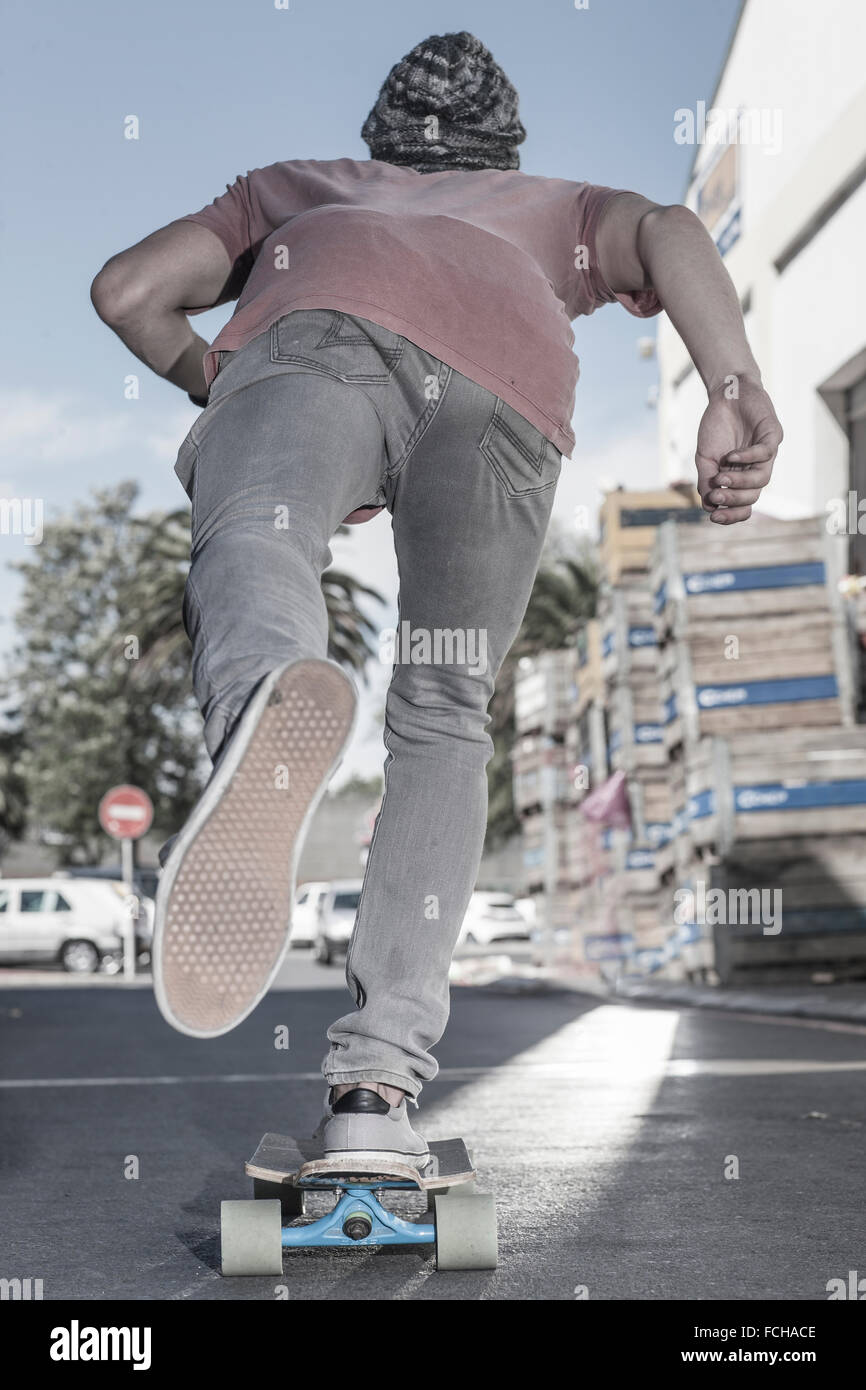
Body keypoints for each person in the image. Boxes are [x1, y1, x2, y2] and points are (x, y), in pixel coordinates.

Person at [90, 32, 782, 1166]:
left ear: (380, 144)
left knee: (257, 546)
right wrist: (731, 386)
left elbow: (126, 290)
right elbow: (667, 225)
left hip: (309, 337)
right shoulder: (553, 204)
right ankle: (372, 1094)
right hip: (499, 376)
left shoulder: (286, 193)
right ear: (496, 151)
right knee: (444, 714)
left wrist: (235, 391)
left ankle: (264, 697)